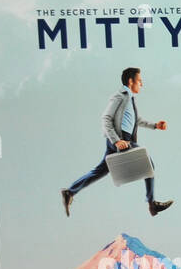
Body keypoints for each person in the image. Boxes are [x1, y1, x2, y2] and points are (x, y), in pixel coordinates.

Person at [62, 67, 173, 217]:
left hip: (121, 139)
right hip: (121, 140)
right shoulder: (120, 97)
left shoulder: (130, 99)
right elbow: (105, 118)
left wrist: (155, 125)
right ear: (130, 81)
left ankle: (70, 192)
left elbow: (136, 120)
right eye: (139, 81)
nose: (142, 84)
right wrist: (116, 141)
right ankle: (152, 204)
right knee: (147, 164)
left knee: (100, 170)